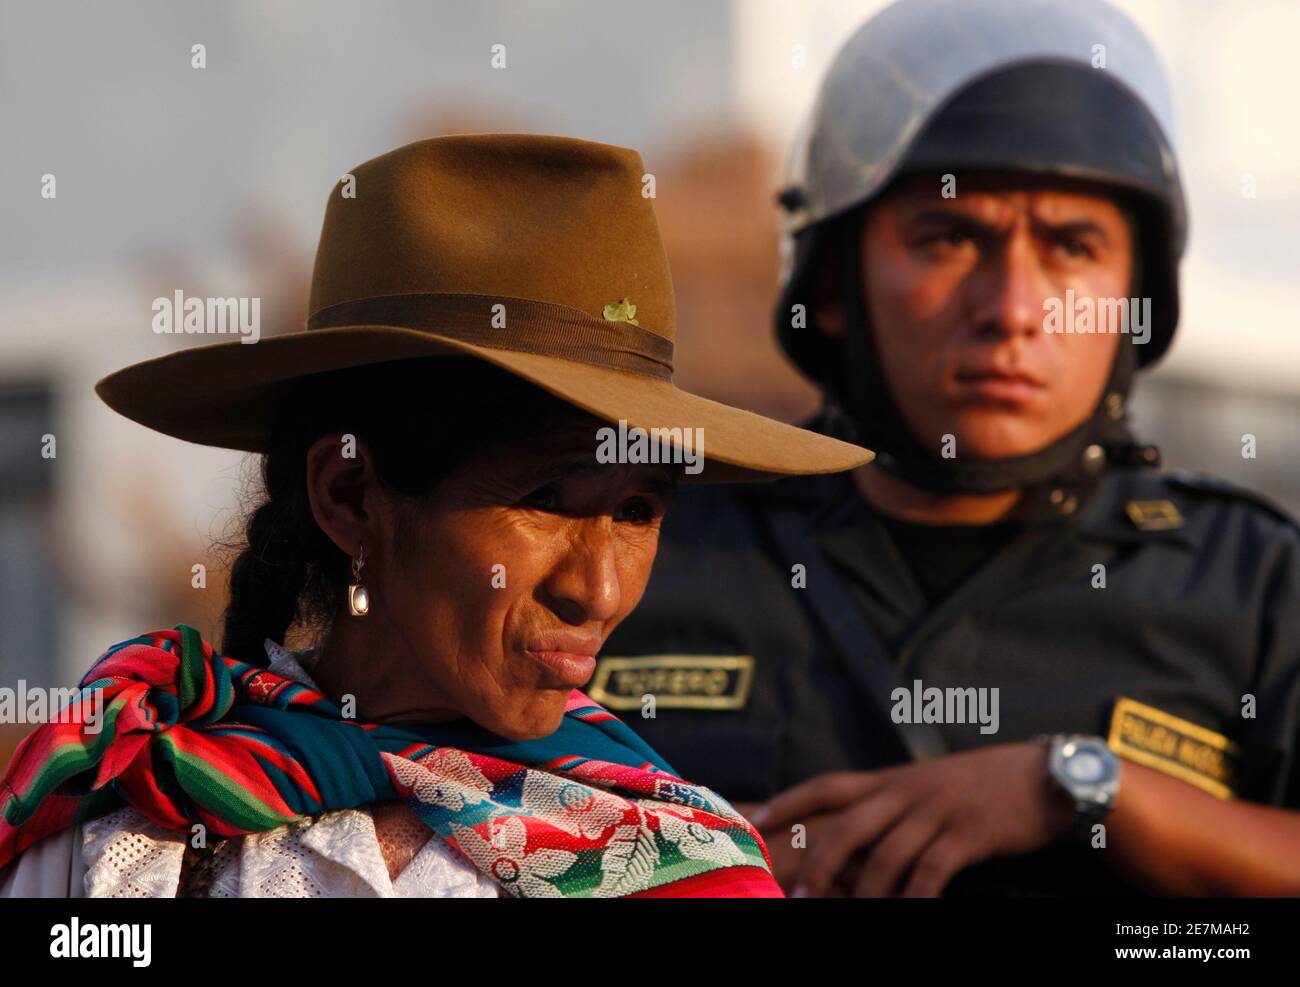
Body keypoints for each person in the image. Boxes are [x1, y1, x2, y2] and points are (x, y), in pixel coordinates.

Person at [0, 133, 869, 898]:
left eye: (637, 510)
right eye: (542, 501)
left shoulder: (682, 869)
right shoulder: (134, 815)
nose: (600, 590)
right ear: (349, 495)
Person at [602, 0, 1300, 896]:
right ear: (837, 282)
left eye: (1071, 246)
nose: (1012, 308)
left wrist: (1092, 790)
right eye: (951, 237)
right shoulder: (646, 548)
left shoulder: (1256, 588)